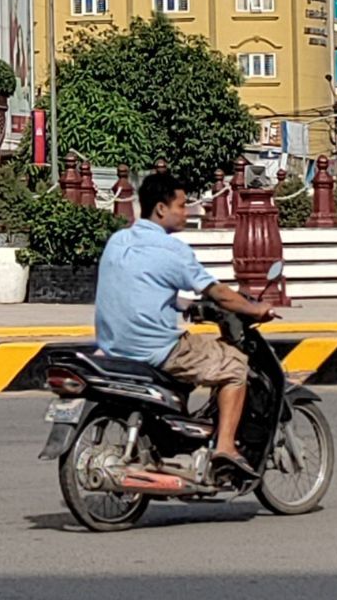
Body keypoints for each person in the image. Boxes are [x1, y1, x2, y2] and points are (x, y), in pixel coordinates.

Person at [95, 170, 277, 480]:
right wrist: (255, 309)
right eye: (181, 205)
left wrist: (184, 305)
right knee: (234, 365)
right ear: (161, 209)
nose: (187, 211)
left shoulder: (118, 240)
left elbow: (140, 286)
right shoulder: (173, 250)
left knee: (197, 354)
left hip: (113, 346)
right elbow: (219, 293)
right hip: (155, 349)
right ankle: (224, 448)